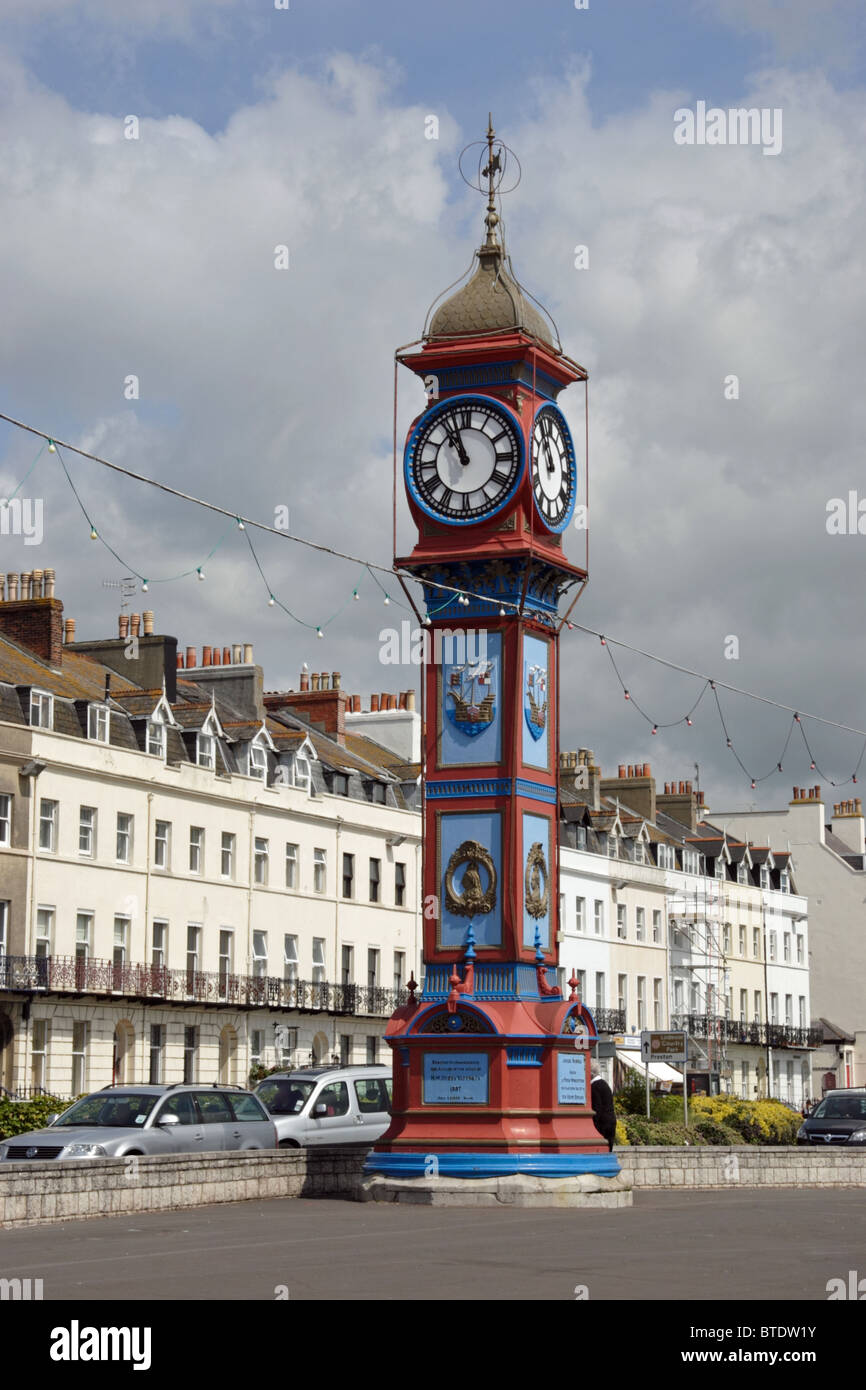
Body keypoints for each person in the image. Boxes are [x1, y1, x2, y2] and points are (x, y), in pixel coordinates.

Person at [589, 1059, 617, 1151]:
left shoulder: (594, 1087)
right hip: (610, 1123)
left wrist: (594, 1128)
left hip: (602, 1126)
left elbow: (596, 1109)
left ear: (590, 1074)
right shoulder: (604, 1084)